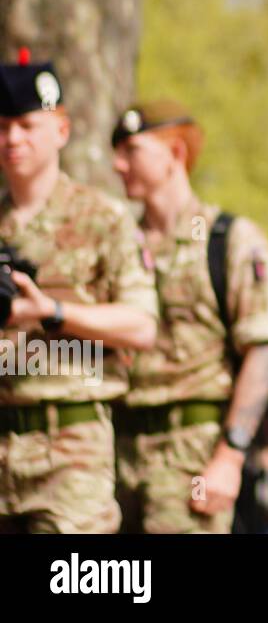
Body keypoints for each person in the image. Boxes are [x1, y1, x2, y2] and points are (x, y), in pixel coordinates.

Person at [0, 52, 159, 533]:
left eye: (27, 125)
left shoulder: (102, 219)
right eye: (3, 125)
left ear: (61, 132)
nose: (12, 139)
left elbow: (141, 326)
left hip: (70, 450)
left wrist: (51, 311)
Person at [110, 100, 268, 533]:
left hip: (190, 453)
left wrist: (230, 456)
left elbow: (262, 350)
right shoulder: (117, 244)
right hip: (113, 453)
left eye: (132, 150)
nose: (118, 163)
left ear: (175, 154)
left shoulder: (229, 239)